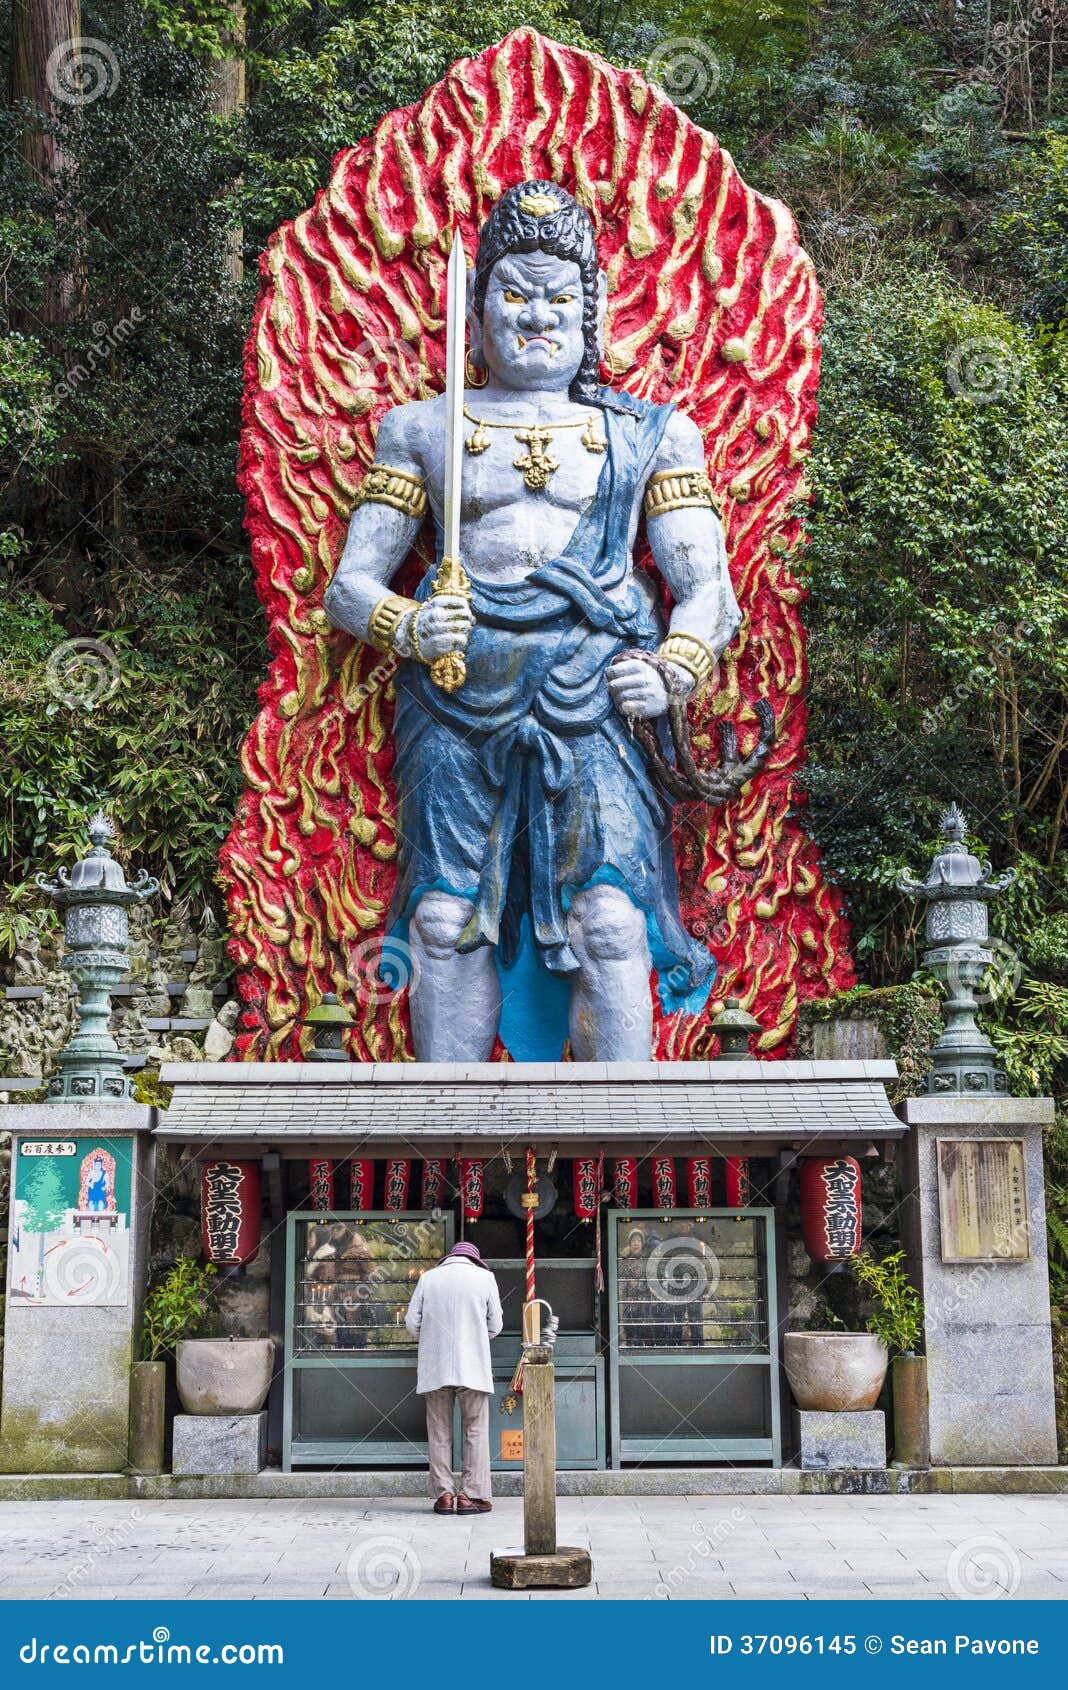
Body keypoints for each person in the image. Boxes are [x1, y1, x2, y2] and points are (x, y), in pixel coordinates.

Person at [324, 179, 740, 1063]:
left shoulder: (651, 435)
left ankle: (623, 1183)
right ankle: (451, 1181)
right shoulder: (423, 429)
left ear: (592, 315)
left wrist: (672, 667)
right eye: (513, 293)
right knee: (443, 922)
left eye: (560, 298)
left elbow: (712, 590)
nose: (536, 316)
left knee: (609, 922)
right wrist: (406, 625)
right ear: (475, 315)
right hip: (453, 688)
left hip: (596, 692)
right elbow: (350, 586)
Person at [405, 1239, 504, 1515]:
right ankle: (472, 1496)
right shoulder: (485, 1278)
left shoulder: (428, 1279)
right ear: (475, 1260)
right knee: (475, 1428)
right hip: (472, 1366)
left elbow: (412, 1323)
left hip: (434, 1366)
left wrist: (433, 1337)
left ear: (449, 1258)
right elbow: (496, 1325)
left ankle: (444, 1496)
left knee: (438, 1431)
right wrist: (473, 1334)